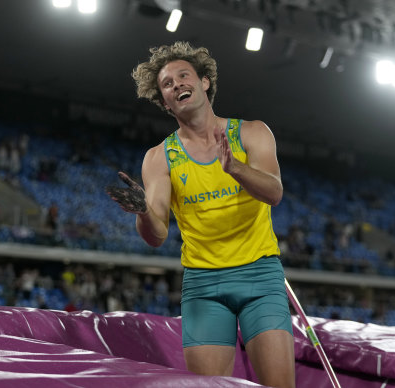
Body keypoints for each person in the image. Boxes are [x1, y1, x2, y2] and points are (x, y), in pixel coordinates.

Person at [106, 41, 295, 387]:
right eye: (167, 84)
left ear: (205, 82)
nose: (177, 84)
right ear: (164, 101)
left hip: (259, 275)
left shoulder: (252, 132)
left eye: (184, 76)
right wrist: (144, 211)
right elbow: (157, 235)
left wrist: (235, 168)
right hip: (205, 283)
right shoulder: (159, 158)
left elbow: (274, 193)